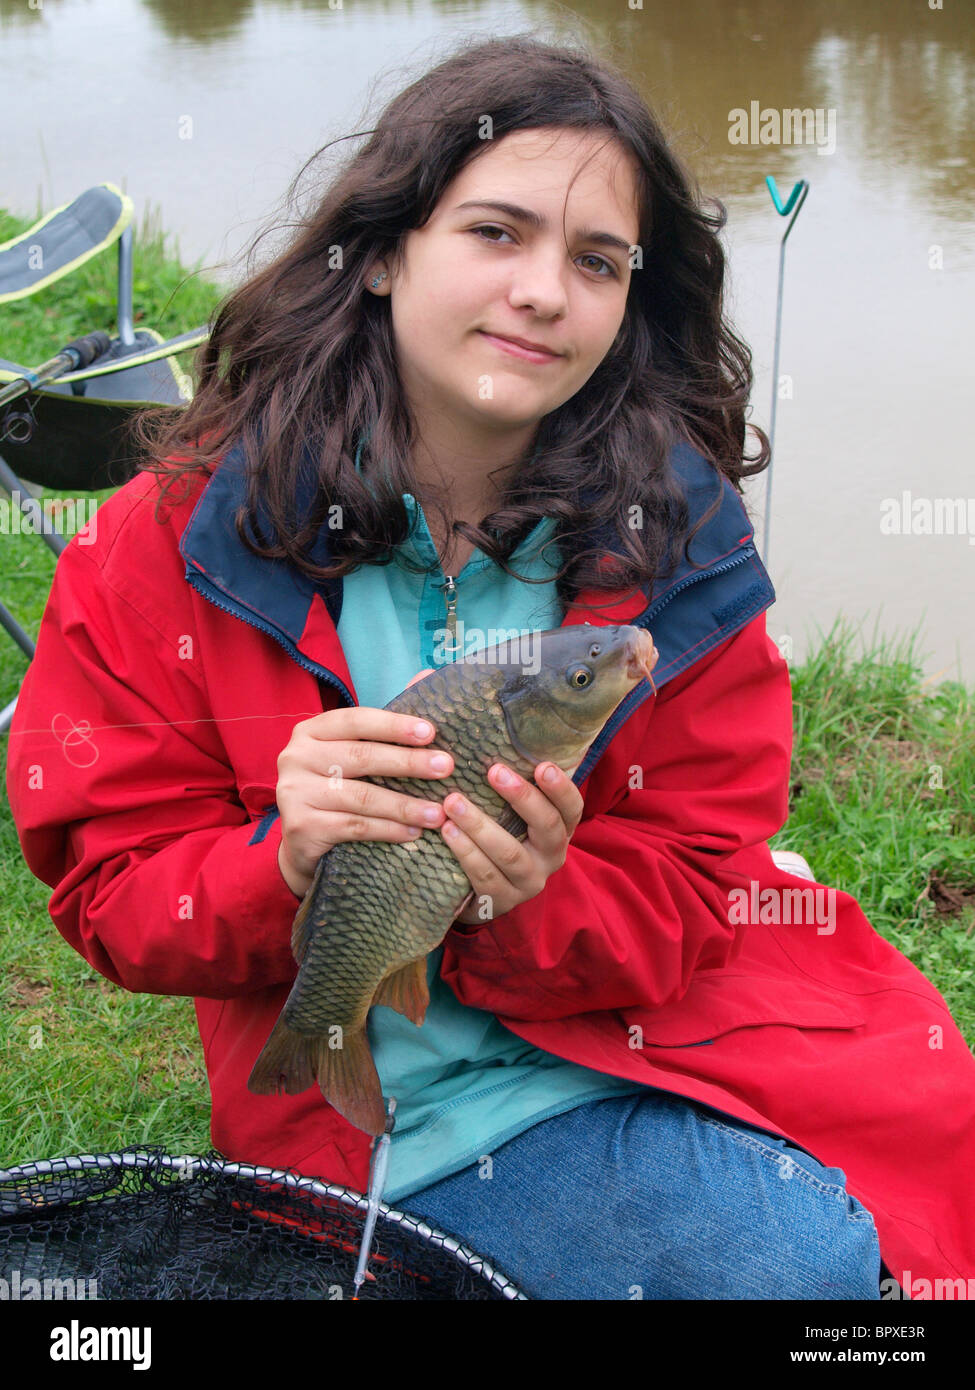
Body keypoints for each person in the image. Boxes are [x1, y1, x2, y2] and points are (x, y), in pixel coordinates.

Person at [6, 33, 974, 1302]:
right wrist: (283, 861)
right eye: (496, 233)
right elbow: (112, 877)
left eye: (596, 261)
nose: (542, 293)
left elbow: (695, 888)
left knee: (813, 1262)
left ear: (632, 300)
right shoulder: (164, 540)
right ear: (388, 248)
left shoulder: (680, 554)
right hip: (381, 1123)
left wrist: (536, 894)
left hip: (631, 1052)